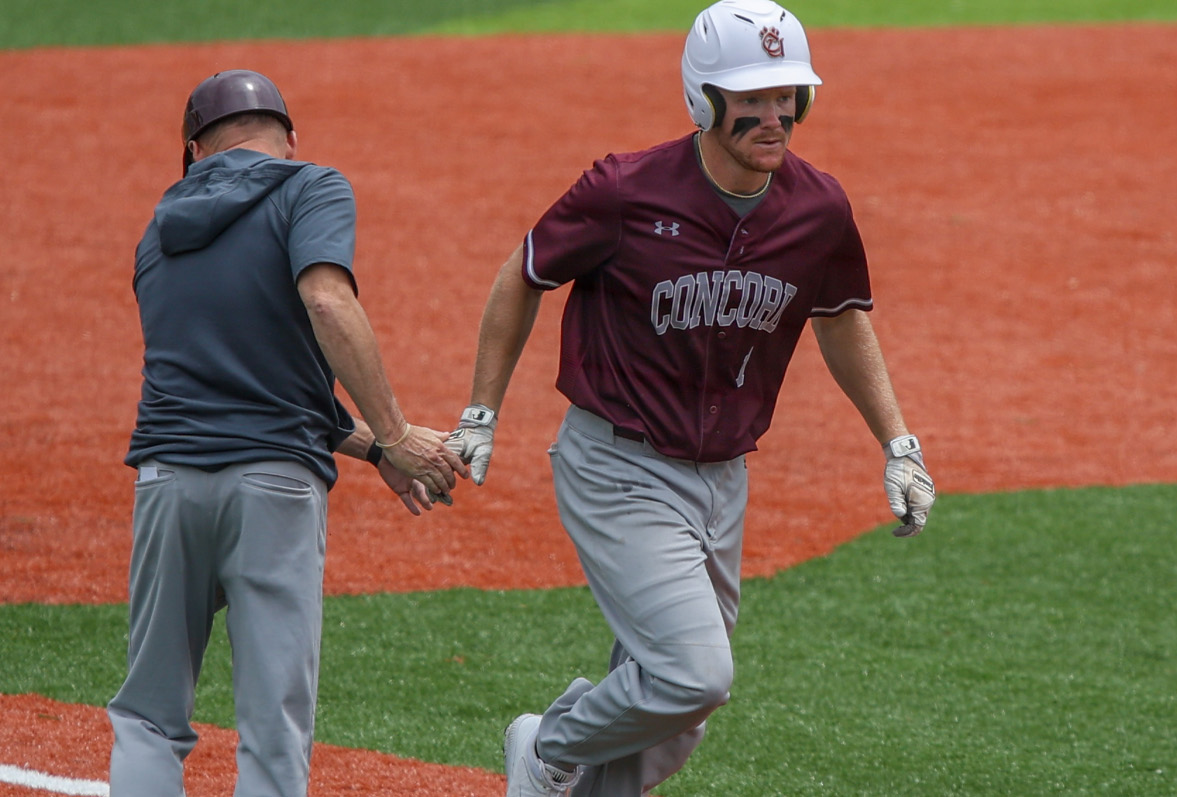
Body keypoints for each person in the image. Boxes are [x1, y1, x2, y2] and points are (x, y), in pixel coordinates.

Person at [447, 1, 937, 794]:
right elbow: (524, 275)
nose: (775, 115)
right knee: (693, 673)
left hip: (723, 479)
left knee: (676, 716)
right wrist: (481, 411)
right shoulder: (624, 190)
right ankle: (547, 744)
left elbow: (842, 320)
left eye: (788, 95)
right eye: (752, 99)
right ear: (703, 99)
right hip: (618, 465)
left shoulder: (818, 209)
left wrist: (898, 443)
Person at [107, 69, 469, 797]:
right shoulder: (311, 187)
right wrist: (396, 433)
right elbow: (326, 301)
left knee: (148, 716)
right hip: (274, 484)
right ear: (289, 139)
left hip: (167, 480)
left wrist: (374, 449)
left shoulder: (158, 231)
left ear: (193, 152)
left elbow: (251, 371)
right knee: (273, 728)